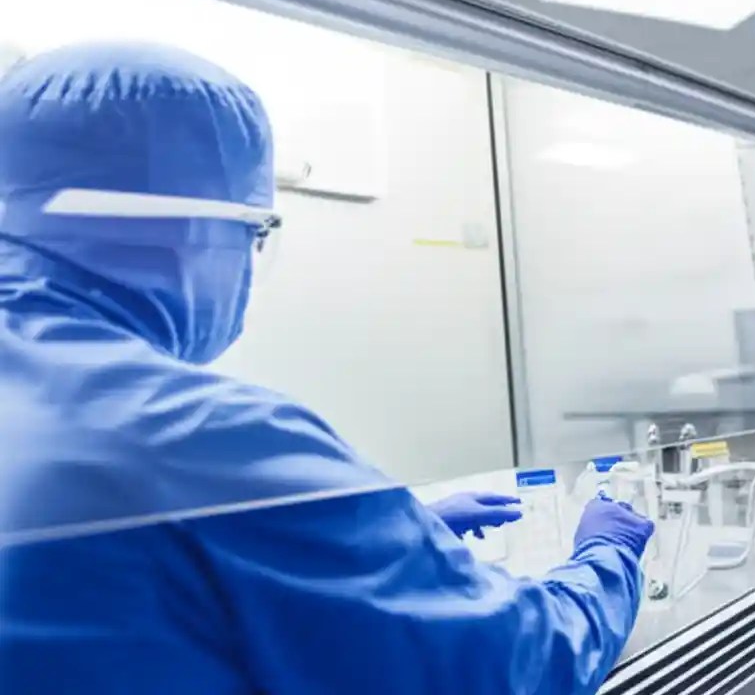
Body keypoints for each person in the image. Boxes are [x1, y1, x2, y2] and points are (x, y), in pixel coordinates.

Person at [0, 42, 654, 694]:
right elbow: (512, 663)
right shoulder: (196, 436)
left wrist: (394, 534)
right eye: (254, 233)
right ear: (192, 230)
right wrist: (608, 554)